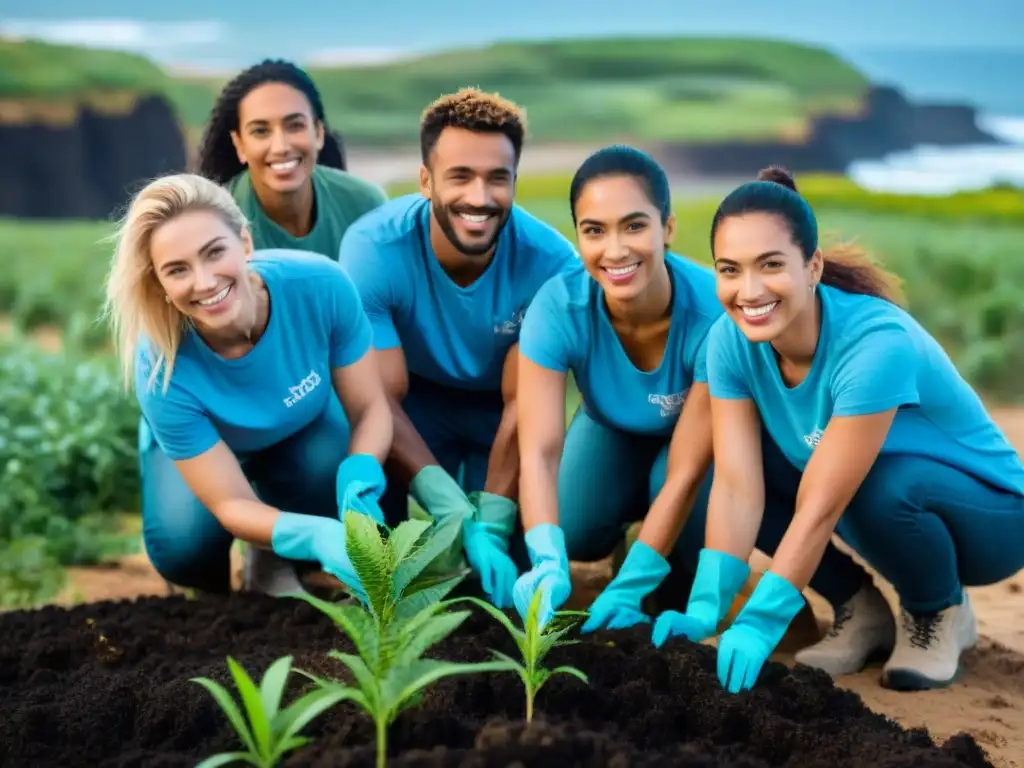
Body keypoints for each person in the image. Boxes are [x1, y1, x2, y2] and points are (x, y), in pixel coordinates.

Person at [652, 165, 1024, 693]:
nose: (748, 290)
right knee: (730, 466)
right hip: (873, 507)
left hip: (993, 520)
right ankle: (859, 608)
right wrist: (707, 609)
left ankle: (940, 612)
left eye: (770, 265)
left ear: (813, 267)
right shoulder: (729, 342)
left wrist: (763, 620)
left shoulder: (875, 344)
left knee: (882, 484)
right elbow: (737, 488)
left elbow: (824, 504)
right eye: (729, 270)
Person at [336, 87, 579, 609]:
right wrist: (448, 507)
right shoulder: (374, 248)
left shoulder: (551, 263)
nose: (480, 197)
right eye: (460, 176)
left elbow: (528, 403)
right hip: (414, 404)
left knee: (522, 553)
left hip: (502, 409)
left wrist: (489, 519)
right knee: (388, 544)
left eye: (498, 178)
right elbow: (381, 400)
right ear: (426, 181)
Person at [103, 172, 393, 599]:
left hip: (299, 433)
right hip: (206, 453)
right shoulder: (160, 365)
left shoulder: (321, 286)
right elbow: (228, 503)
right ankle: (217, 598)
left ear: (245, 243)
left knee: (330, 464)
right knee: (183, 545)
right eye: (177, 270)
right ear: (160, 286)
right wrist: (317, 536)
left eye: (214, 252)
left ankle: (276, 552)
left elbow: (371, 409)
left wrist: (361, 471)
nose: (204, 282)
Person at [513, 145, 723, 629]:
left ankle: (659, 566)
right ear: (579, 238)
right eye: (594, 231)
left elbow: (686, 471)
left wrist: (632, 583)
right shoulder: (558, 308)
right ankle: (617, 544)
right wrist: (545, 554)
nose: (615, 250)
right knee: (572, 532)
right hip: (610, 429)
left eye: (634, 226)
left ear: (667, 229)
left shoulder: (713, 314)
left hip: (696, 451)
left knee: (689, 522)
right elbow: (539, 451)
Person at [196, 58, 386, 259]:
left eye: (295, 126)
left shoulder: (365, 205)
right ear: (240, 144)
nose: (281, 147)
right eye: (260, 131)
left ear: (318, 133)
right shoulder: (214, 224)